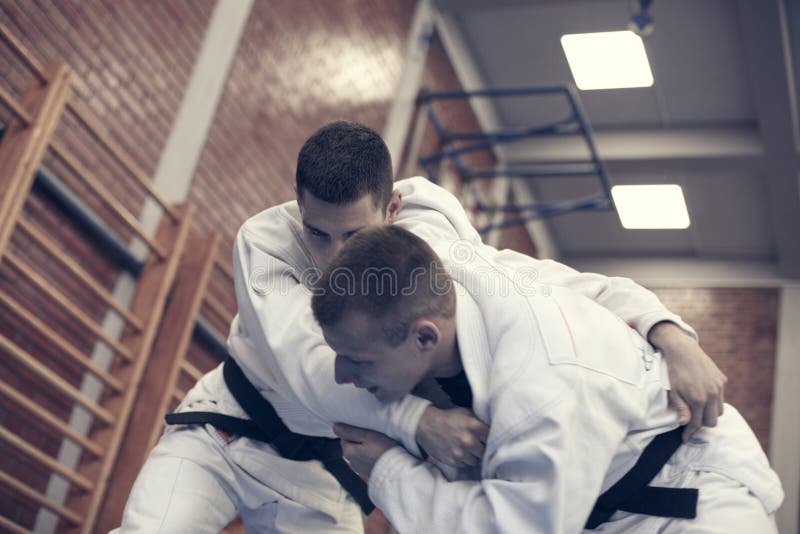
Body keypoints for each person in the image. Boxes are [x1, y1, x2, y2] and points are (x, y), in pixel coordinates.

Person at [116, 121, 726, 532]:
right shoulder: (266, 243)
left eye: (354, 235)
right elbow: (313, 366)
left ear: (394, 210)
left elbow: (540, 286)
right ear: (297, 207)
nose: (333, 257)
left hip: (330, 471)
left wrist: (665, 329)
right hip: (230, 430)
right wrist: (419, 421)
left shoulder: (432, 231)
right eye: (317, 232)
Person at [312, 225, 784, 533]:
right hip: (602, 496)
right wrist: (672, 337)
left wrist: (391, 473)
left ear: (424, 337)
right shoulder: (459, 270)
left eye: (359, 361)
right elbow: (600, 290)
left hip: (686, 508)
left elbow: (512, 528)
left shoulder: (541, 387)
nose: (342, 373)